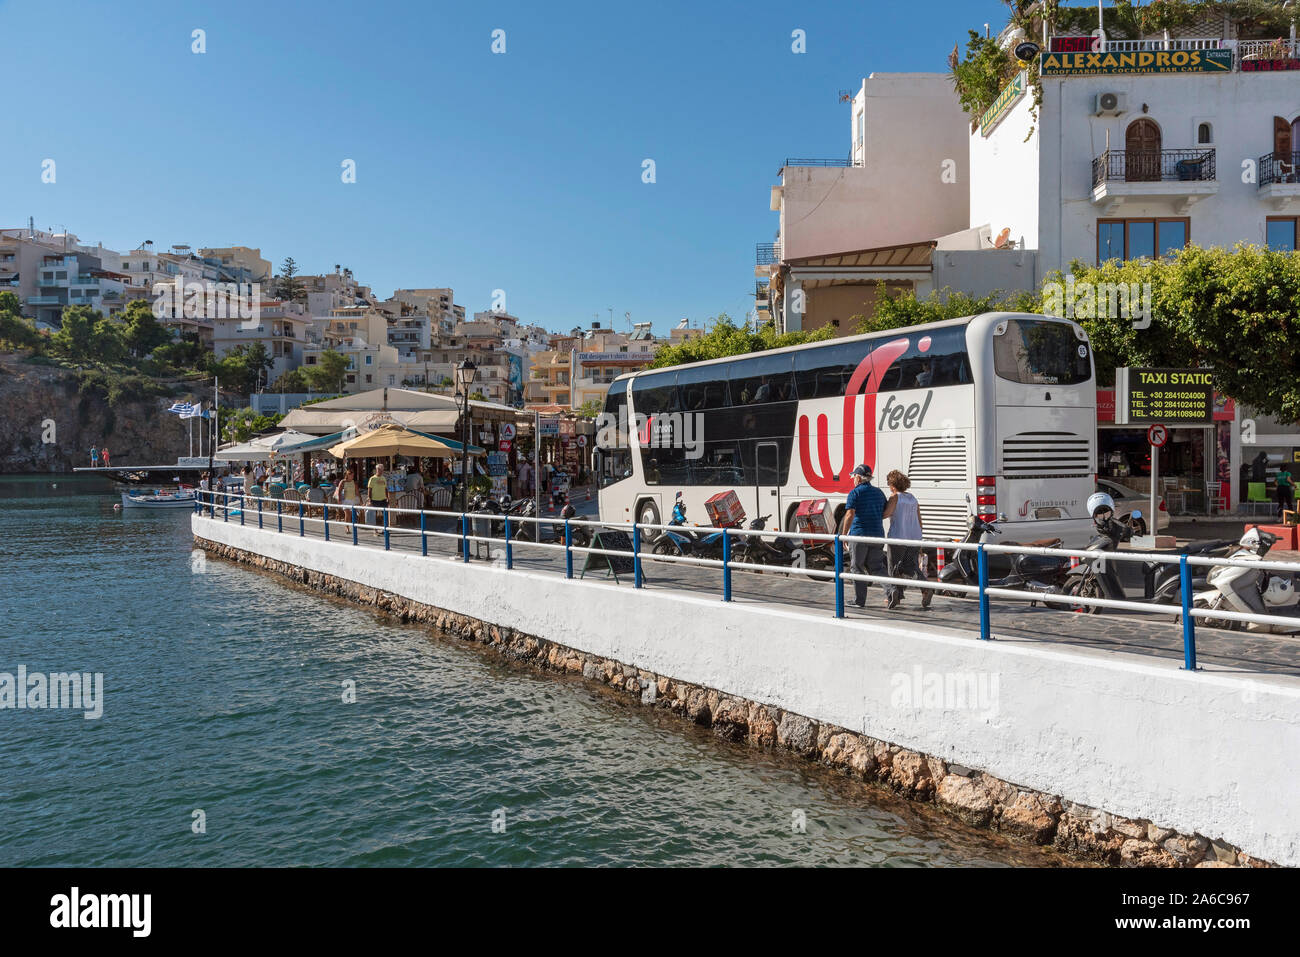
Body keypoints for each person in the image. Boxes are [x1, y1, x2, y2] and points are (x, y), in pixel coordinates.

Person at [839, 463, 888, 608]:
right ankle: (891, 591)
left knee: (857, 568)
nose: (853, 479)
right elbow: (885, 511)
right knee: (877, 567)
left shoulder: (855, 493)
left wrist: (844, 534)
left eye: (854, 476)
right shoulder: (879, 492)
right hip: (877, 535)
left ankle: (859, 601)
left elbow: (849, 514)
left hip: (859, 535)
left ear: (859, 478)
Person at [883, 470, 929, 610]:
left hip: (898, 537)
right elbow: (919, 519)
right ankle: (925, 588)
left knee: (894, 567)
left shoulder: (895, 497)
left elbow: (887, 514)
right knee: (911, 566)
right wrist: (920, 538)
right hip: (914, 537)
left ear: (893, 485)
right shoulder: (912, 498)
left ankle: (894, 596)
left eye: (889, 484)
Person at [365, 463, 388, 535]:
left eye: (382, 469)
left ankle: (385, 529)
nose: (381, 471)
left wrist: (387, 497)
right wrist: (369, 498)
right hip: (374, 499)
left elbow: (385, 489)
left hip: (383, 499)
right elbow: (369, 489)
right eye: (380, 469)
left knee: (385, 514)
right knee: (373, 515)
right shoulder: (372, 478)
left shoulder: (384, 478)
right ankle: (375, 530)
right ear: (377, 470)